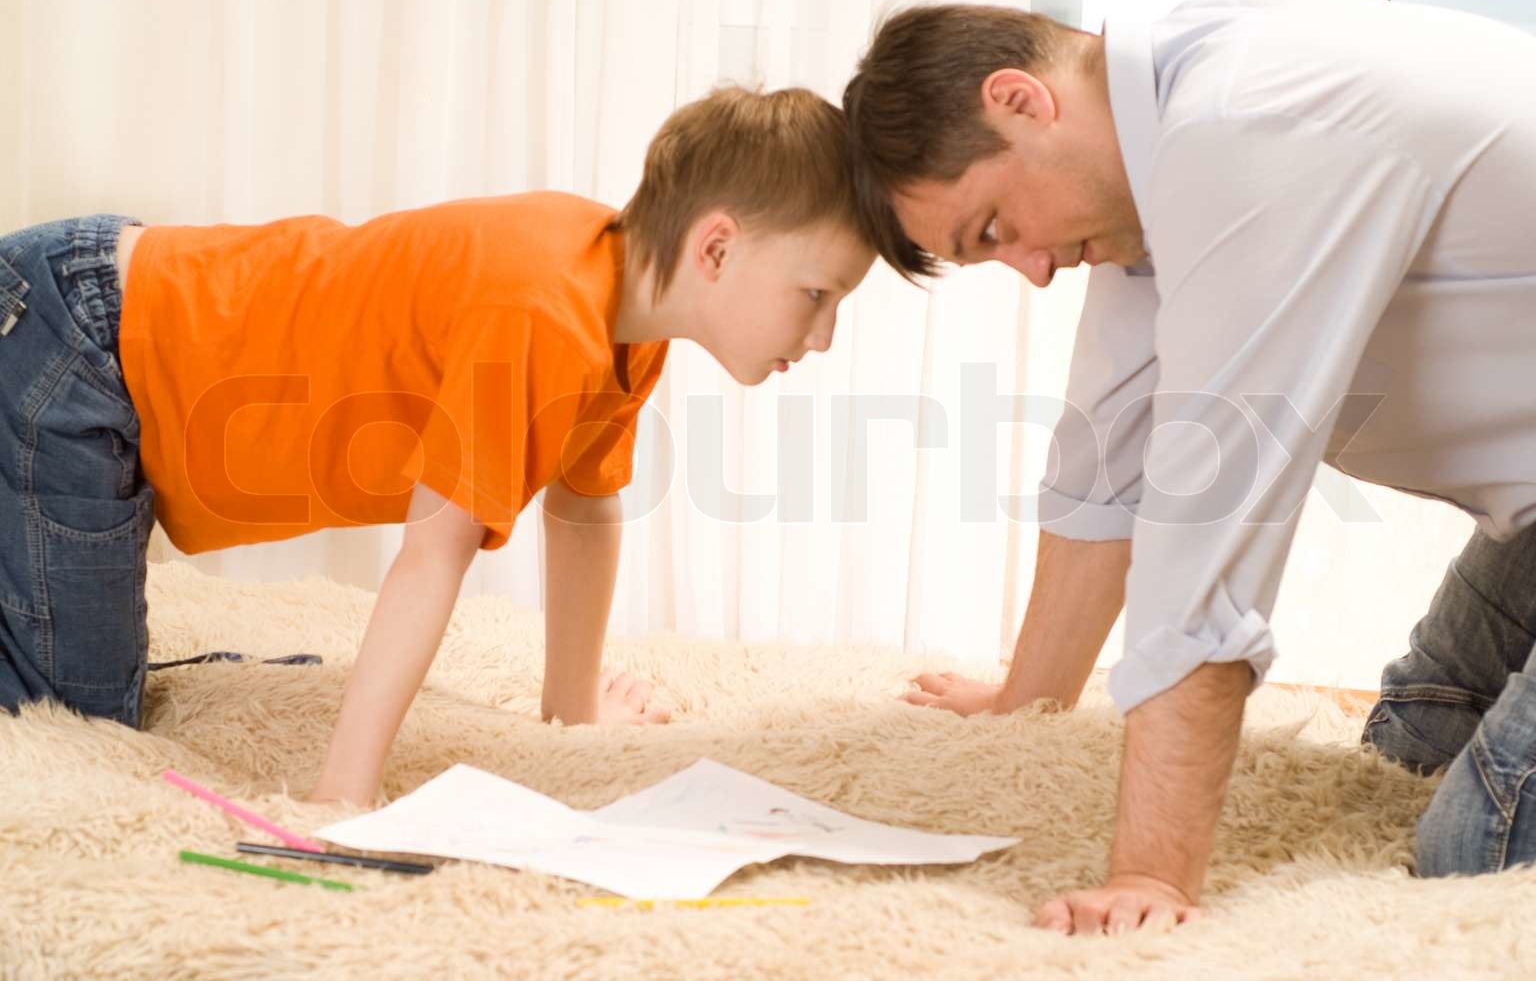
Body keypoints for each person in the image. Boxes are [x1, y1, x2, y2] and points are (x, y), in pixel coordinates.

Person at [842, 0, 1536, 934]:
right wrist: (1025, 704)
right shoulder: (1158, 148)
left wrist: (1150, 877)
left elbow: (1207, 534)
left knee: (1500, 842)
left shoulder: (1248, 128)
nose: (1031, 268)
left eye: (992, 228)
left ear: (1021, 101)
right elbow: (1104, 464)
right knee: (1414, 742)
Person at [0, 85, 879, 807]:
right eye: (816, 294)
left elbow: (584, 508)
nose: (825, 335)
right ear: (716, 249)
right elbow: (432, 552)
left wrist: (571, 711)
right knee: (75, 720)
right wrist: (343, 790)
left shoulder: (625, 316)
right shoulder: (541, 310)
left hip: (104, 339)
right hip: (79, 339)